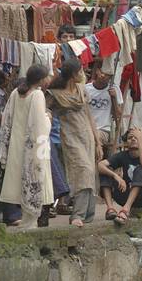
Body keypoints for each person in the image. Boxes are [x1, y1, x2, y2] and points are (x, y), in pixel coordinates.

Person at [0, 65, 54, 227]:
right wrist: (48, 118)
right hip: (32, 148)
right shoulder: (37, 95)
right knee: (33, 178)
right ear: (42, 79)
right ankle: (30, 223)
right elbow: (39, 125)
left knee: (19, 181)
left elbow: (7, 117)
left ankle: (27, 220)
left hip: (16, 145)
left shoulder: (16, 92)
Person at [48, 60, 100, 227]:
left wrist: (98, 141)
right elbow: (44, 109)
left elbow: (89, 116)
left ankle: (87, 215)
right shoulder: (55, 94)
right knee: (83, 171)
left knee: (90, 173)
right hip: (70, 137)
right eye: (80, 71)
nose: (83, 74)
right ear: (72, 74)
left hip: (87, 137)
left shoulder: (81, 90)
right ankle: (77, 214)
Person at [98, 128, 142, 223]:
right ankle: (110, 209)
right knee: (105, 172)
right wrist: (115, 176)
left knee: (141, 168)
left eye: (136, 137)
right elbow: (100, 165)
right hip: (125, 194)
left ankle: (126, 210)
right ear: (126, 142)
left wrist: (140, 138)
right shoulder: (123, 155)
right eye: (130, 138)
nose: (133, 139)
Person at [85, 69, 122, 156]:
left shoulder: (114, 89)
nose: (103, 75)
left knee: (93, 138)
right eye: (101, 72)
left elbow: (118, 114)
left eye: (107, 74)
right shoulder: (86, 88)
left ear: (111, 76)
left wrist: (114, 98)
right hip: (87, 127)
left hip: (103, 129)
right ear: (97, 72)